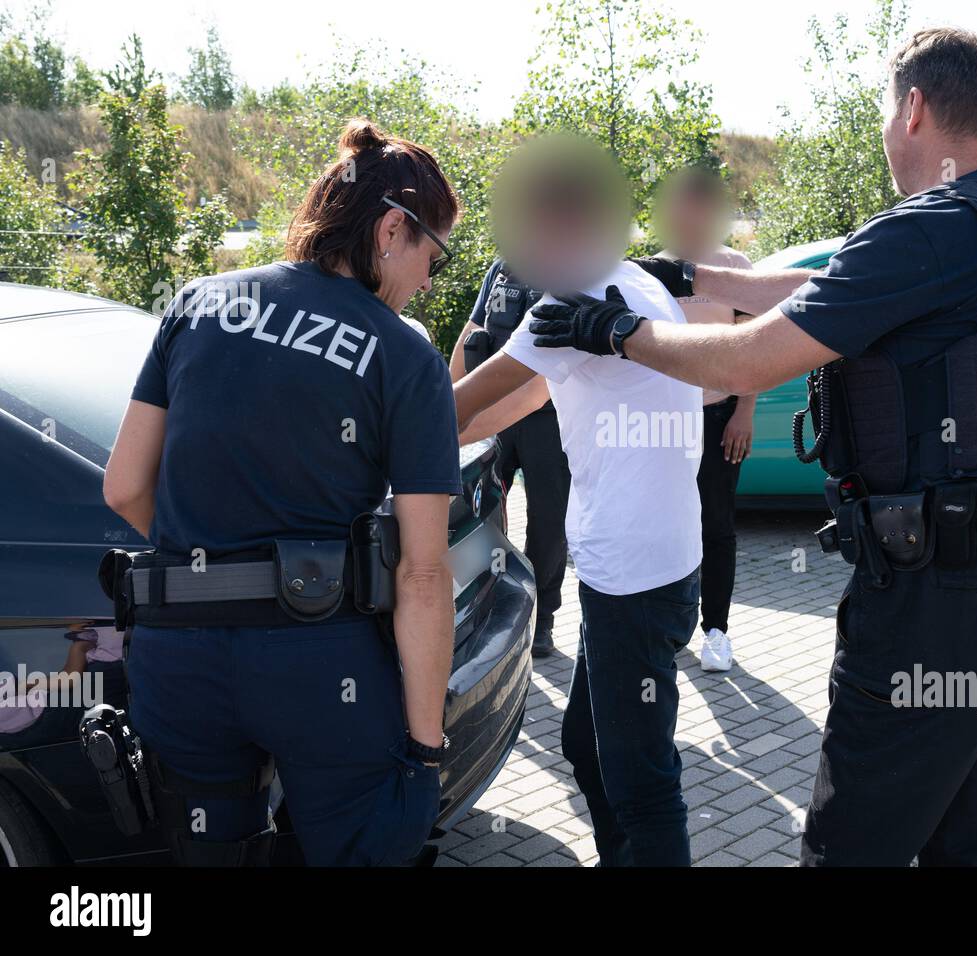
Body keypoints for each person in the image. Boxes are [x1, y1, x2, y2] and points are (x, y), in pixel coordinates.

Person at [526, 28, 977, 866]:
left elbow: (753, 356)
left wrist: (622, 331)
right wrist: (694, 278)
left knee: (852, 842)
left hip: (944, 591)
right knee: (974, 838)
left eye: (883, 113)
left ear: (914, 108)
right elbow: (818, 286)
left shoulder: (934, 225)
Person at [102, 119, 463, 866]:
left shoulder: (198, 302)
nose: (429, 281)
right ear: (394, 229)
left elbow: (125, 486)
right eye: (435, 255)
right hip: (321, 665)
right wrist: (428, 751)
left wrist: (211, 576)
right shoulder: (403, 352)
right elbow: (423, 573)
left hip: (179, 663)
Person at [455, 135, 702, 866]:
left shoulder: (569, 303)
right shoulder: (636, 285)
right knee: (585, 745)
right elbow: (526, 393)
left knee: (641, 782)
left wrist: (357, 440)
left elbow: (460, 405)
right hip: (653, 564)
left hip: (631, 574)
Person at [652, 167, 755, 672]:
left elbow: (754, 349)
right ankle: (673, 627)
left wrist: (745, 411)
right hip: (665, 423)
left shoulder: (734, 266)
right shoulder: (652, 269)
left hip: (719, 419)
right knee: (671, 524)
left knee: (716, 526)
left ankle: (717, 630)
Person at [449, 260, 569, 658]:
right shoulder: (503, 266)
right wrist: (453, 399)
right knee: (479, 514)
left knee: (548, 522)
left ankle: (542, 618)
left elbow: (553, 370)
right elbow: (473, 332)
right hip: (491, 412)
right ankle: (487, 606)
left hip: (549, 420)